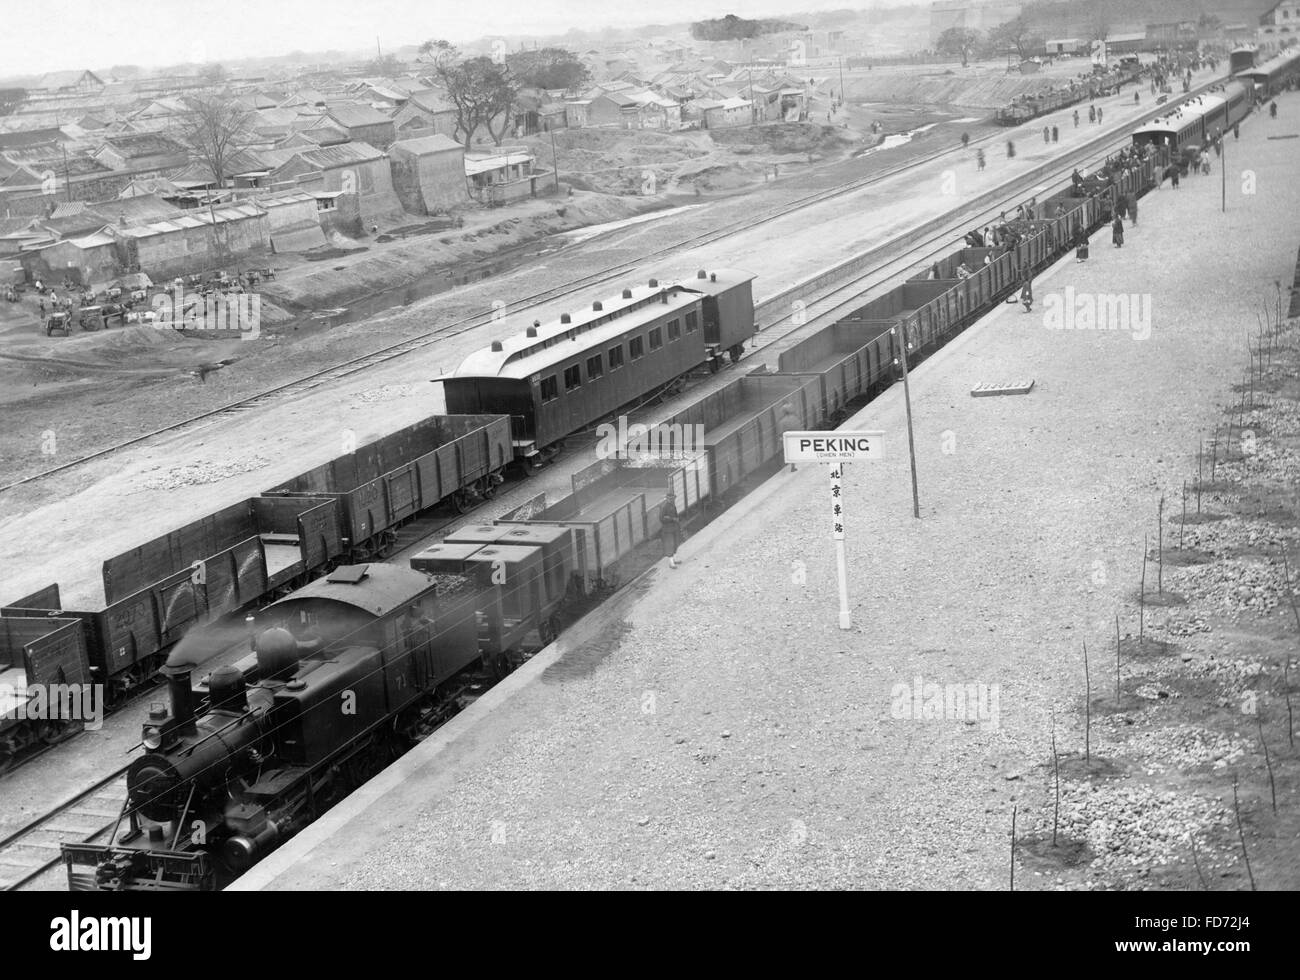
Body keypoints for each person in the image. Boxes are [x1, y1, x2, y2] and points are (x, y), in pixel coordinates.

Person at [660, 491, 680, 568]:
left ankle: (673, 560)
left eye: (673, 498)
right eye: (671, 498)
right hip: (667, 530)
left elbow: (676, 515)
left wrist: (676, 520)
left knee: (675, 543)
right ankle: (671, 563)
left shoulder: (672, 506)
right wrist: (672, 519)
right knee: (670, 545)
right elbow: (661, 518)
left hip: (674, 528)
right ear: (668, 499)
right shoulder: (664, 507)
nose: (673, 500)